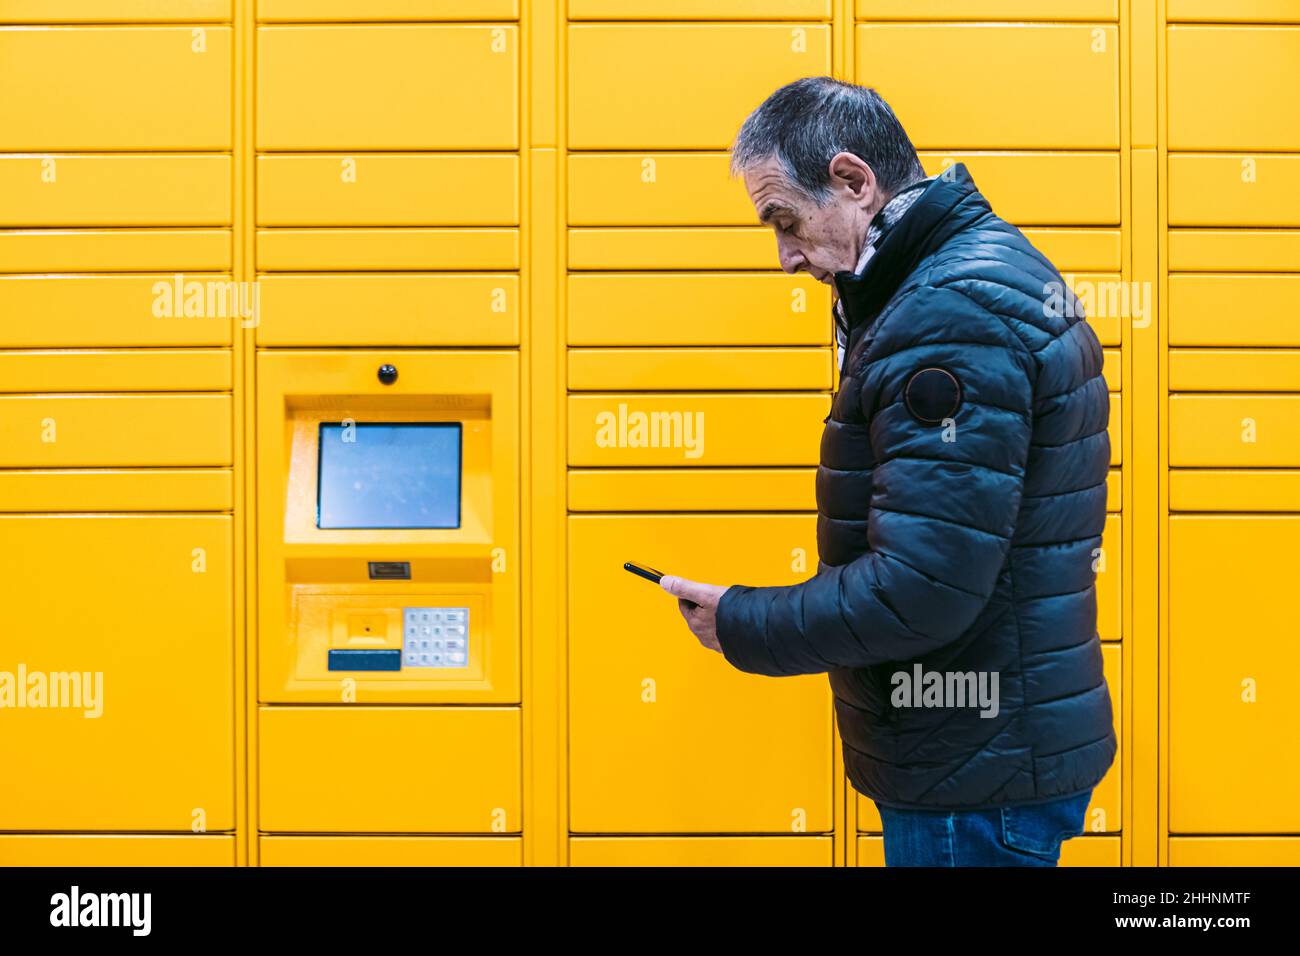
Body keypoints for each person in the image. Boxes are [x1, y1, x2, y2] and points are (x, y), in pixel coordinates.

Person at [659, 76, 1116, 867]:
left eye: (786, 221)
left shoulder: (949, 314)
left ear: (853, 182)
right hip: (989, 751)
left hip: (970, 776)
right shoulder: (969, 274)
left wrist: (741, 621)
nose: (785, 257)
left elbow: (919, 590)